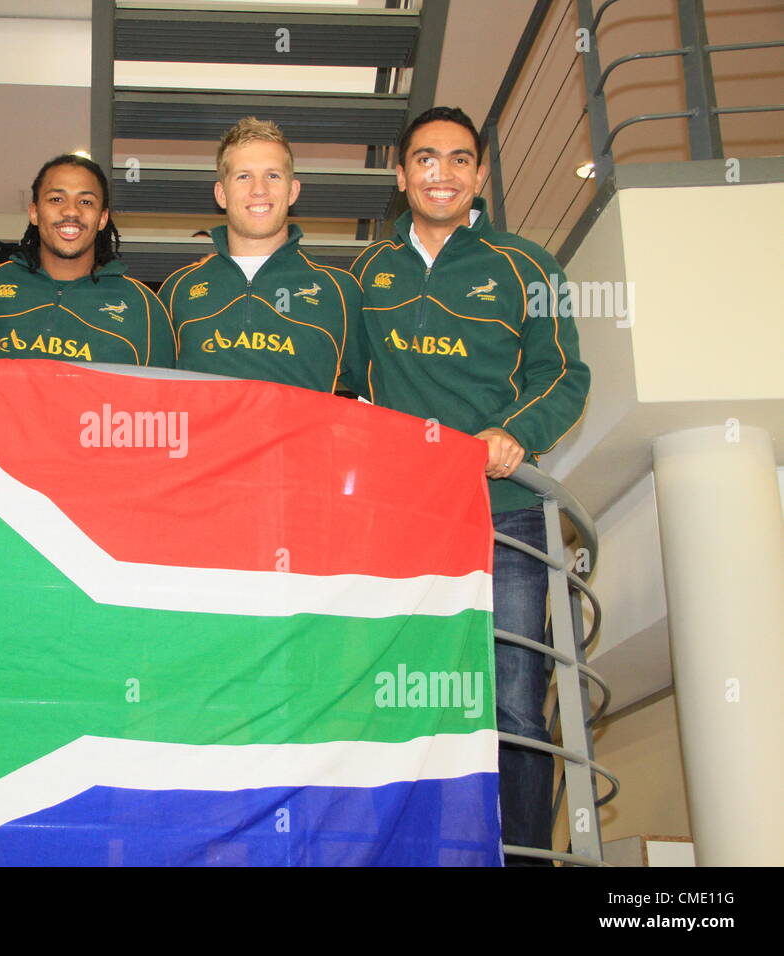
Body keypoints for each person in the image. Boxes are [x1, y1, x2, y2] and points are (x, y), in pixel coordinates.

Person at [347, 105, 590, 861]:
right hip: (401, 521)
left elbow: (567, 376)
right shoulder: (363, 276)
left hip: (507, 517)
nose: (442, 173)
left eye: (459, 160)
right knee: (391, 695)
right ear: (400, 175)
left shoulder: (529, 266)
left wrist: (517, 434)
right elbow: (346, 387)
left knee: (513, 701)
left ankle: (521, 856)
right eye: (425, 159)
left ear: (480, 174)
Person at [160, 117, 363, 393]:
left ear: (293, 191)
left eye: (273, 175)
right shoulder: (177, 290)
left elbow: (381, 393)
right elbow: (154, 392)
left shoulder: (339, 290)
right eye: (244, 176)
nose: (259, 190)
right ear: (221, 193)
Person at [0, 153, 173, 367]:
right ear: (34, 213)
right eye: (56, 199)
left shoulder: (142, 305)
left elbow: (162, 396)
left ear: (102, 218)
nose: (71, 211)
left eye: (86, 201)